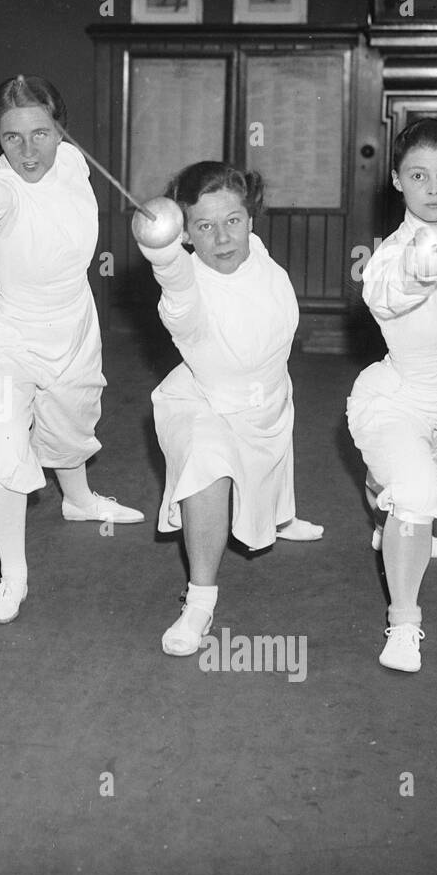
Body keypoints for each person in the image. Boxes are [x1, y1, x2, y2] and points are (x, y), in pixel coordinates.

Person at [0, 75, 143, 625]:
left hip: (74, 320)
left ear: (60, 130)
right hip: (10, 332)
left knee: (72, 422)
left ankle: (77, 500)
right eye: (12, 138)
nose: (28, 151)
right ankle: (13, 574)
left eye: (40, 133)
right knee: (2, 440)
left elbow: (63, 175)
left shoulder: (74, 162)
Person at [133, 161, 323, 657]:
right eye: (204, 226)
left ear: (251, 220)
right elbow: (176, 290)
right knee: (207, 463)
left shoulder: (256, 254)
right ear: (187, 235)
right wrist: (162, 253)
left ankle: (279, 515)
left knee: (268, 437)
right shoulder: (187, 288)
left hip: (267, 398)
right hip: (206, 400)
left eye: (232, 220)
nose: (222, 238)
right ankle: (199, 601)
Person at [347, 118, 437, 672]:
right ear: (397, 181)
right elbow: (390, 294)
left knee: (407, 499)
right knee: (414, 493)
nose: (432, 189)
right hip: (395, 400)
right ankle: (403, 625)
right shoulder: (391, 257)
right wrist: (427, 257)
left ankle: (396, 525)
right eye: (418, 176)